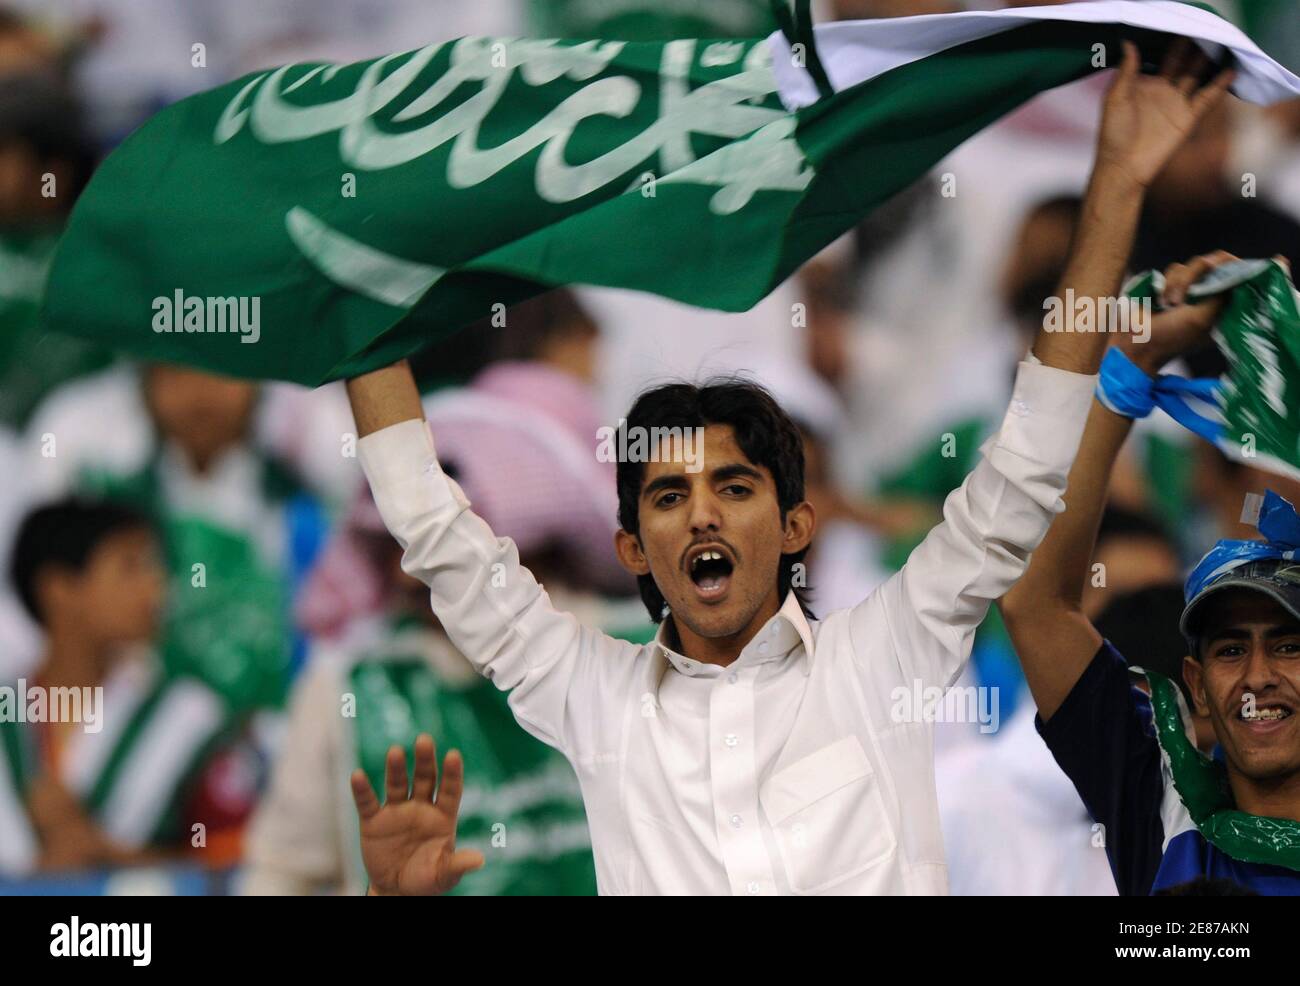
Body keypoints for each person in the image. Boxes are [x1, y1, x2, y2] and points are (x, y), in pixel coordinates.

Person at [344, 39, 1234, 895]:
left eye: (735, 486)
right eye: (667, 495)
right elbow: (432, 527)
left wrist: (1116, 177)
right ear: (630, 549)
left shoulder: (887, 652)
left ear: (799, 524)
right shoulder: (593, 699)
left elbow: (1032, 458)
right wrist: (352, 287)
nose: (702, 515)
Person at [1000, 249, 1300, 895]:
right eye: (1228, 650)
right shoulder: (1160, 812)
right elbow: (1036, 606)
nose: (1257, 678)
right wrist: (1127, 373)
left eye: (1289, 645)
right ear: (1195, 685)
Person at [1, 498, 253, 876]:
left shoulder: (191, 716)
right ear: (60, 589)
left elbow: (241, 864)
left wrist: (109, 857)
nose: (156, 586)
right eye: (130, 567)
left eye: (155, 567)